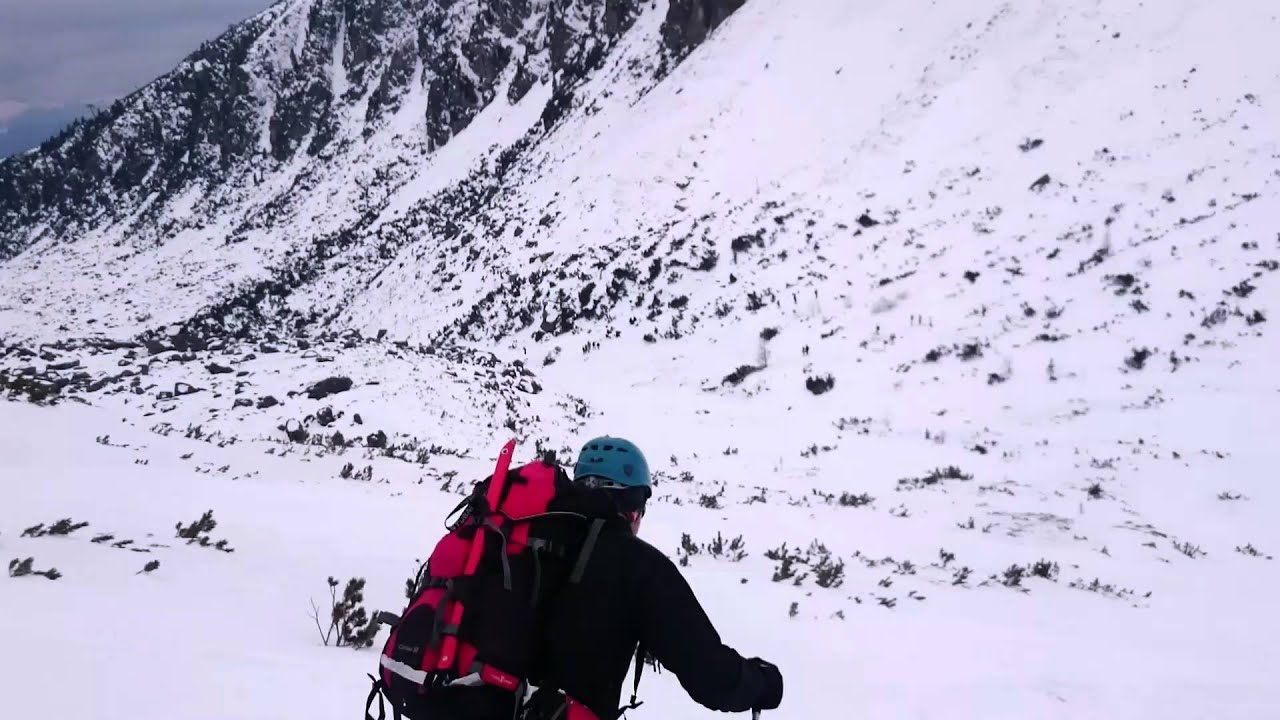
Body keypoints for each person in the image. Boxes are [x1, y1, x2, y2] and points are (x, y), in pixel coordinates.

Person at [521, 436, 784, 720]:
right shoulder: (638, 565)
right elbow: (708, 672)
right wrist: (761, 685)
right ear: (634, 507)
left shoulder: (523, 539)